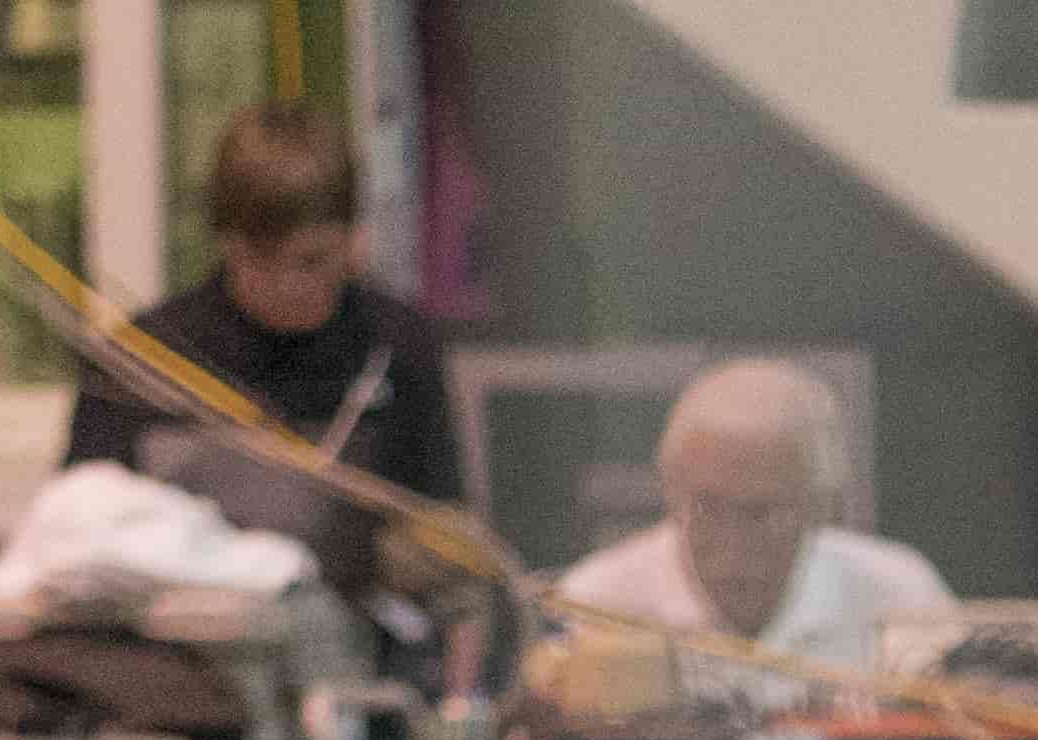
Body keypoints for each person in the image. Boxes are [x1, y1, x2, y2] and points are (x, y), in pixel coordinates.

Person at [58, 100, 473, 627]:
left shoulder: (397, 349)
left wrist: (438, 557)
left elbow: (446, 533)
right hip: (174, 660)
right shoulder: (142, 360)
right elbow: (70, 538)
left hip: (352, 656)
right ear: (226, 243)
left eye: (314, 260)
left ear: (353, 238)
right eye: (263, 262)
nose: (291, 287)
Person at [551, 359, 951, 700]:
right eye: (708, 507)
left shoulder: (899, 595)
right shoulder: (595, 607)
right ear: (671, 495)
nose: (734, 544)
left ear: (821, 507)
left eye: (764, 513)